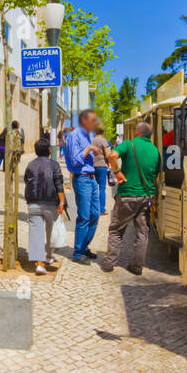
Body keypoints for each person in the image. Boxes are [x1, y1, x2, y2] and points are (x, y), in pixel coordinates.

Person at [106, 118, 163, 275]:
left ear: (137, 132)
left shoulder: (129, 144)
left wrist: (117, 172)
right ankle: (137, 267)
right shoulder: (155, 151)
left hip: (126, 195)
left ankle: (109, 263)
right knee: (142, 233)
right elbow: (155, 176)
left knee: (116, 230)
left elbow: (112, 156)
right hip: (146, 197)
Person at [66, 112, 109, 264]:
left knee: (95, 214)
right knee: (84, 216)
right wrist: (89, 149)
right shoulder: (74, 136)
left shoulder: (87, 136)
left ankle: (84, 247)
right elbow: (75, 161)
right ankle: (78, 253)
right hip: (82, 179)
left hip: (91, 179)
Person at [20, 132, 65, 274]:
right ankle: (49, 255)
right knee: (50, 231)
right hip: (51, 202)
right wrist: (62, 201)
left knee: (36, 232)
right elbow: (59, 183)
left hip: (33, 202)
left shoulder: (31, 165)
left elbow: (27, 181)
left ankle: (40, 264)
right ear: (49, 151)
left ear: (35, 151)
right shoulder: (54, 164)